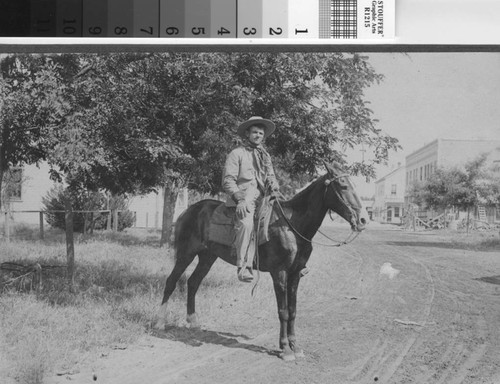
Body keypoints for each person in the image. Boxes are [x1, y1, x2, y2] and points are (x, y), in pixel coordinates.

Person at [222, 116, 280, 282]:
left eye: (261, 133)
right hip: (245, 195)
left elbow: (270, 175)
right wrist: (239, 198)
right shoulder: (236, 154)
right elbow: (228, 180)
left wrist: (273, 183)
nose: (257, 135)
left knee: (283, 218)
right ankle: (243, 267)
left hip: (263, 196)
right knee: (246, 224)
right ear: (247, 133)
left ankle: (292, 261)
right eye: (254, 132)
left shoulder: (265, 155)